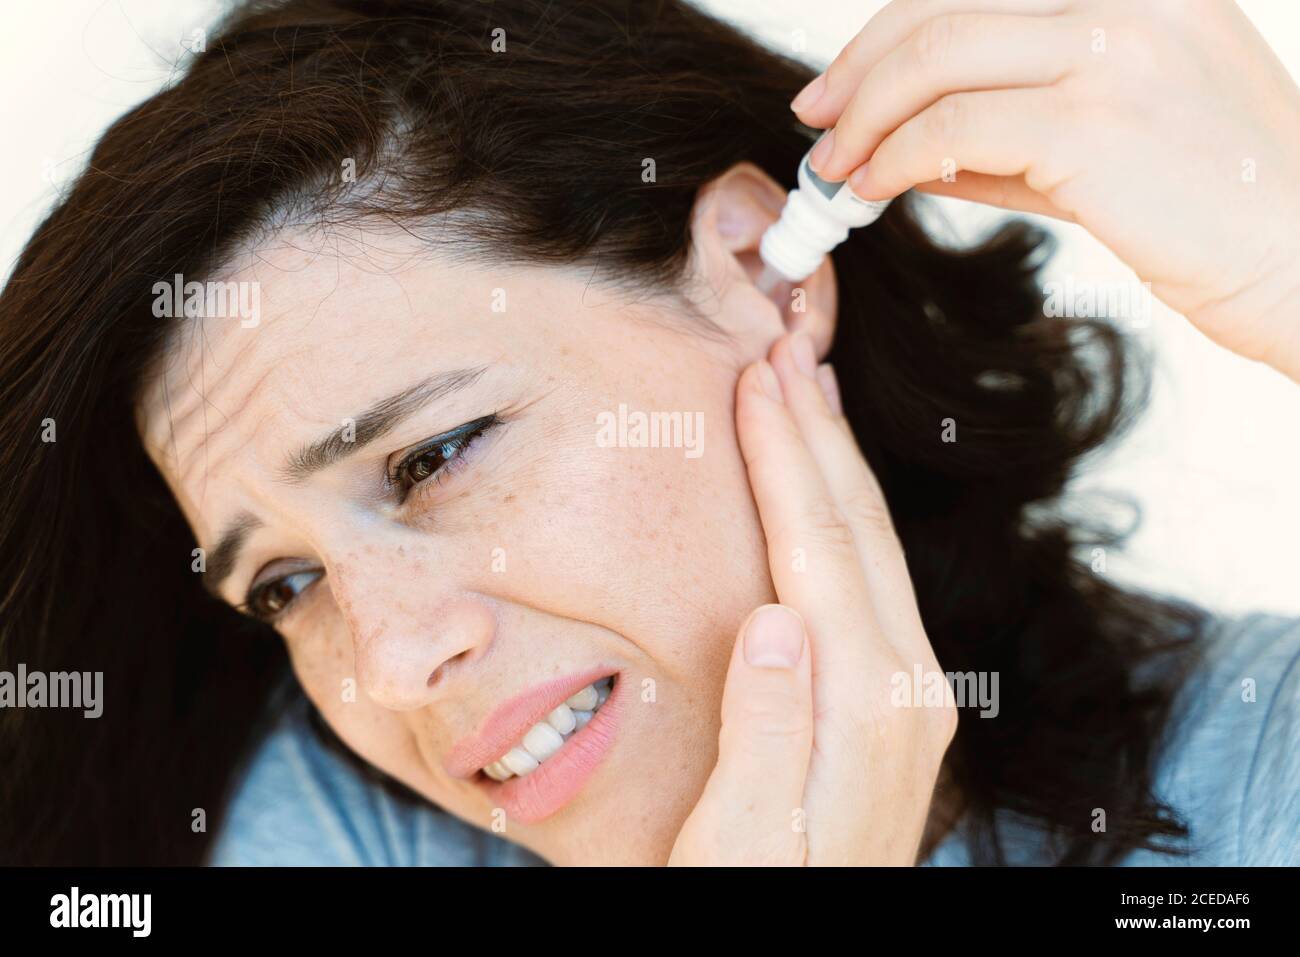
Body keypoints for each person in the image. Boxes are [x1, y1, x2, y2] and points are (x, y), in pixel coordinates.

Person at [1, 0, 1296, 867]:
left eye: (433, 455)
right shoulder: (345, 831)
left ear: (762, 272)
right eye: (284, 583)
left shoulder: (1254, 782)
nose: (388, 665)